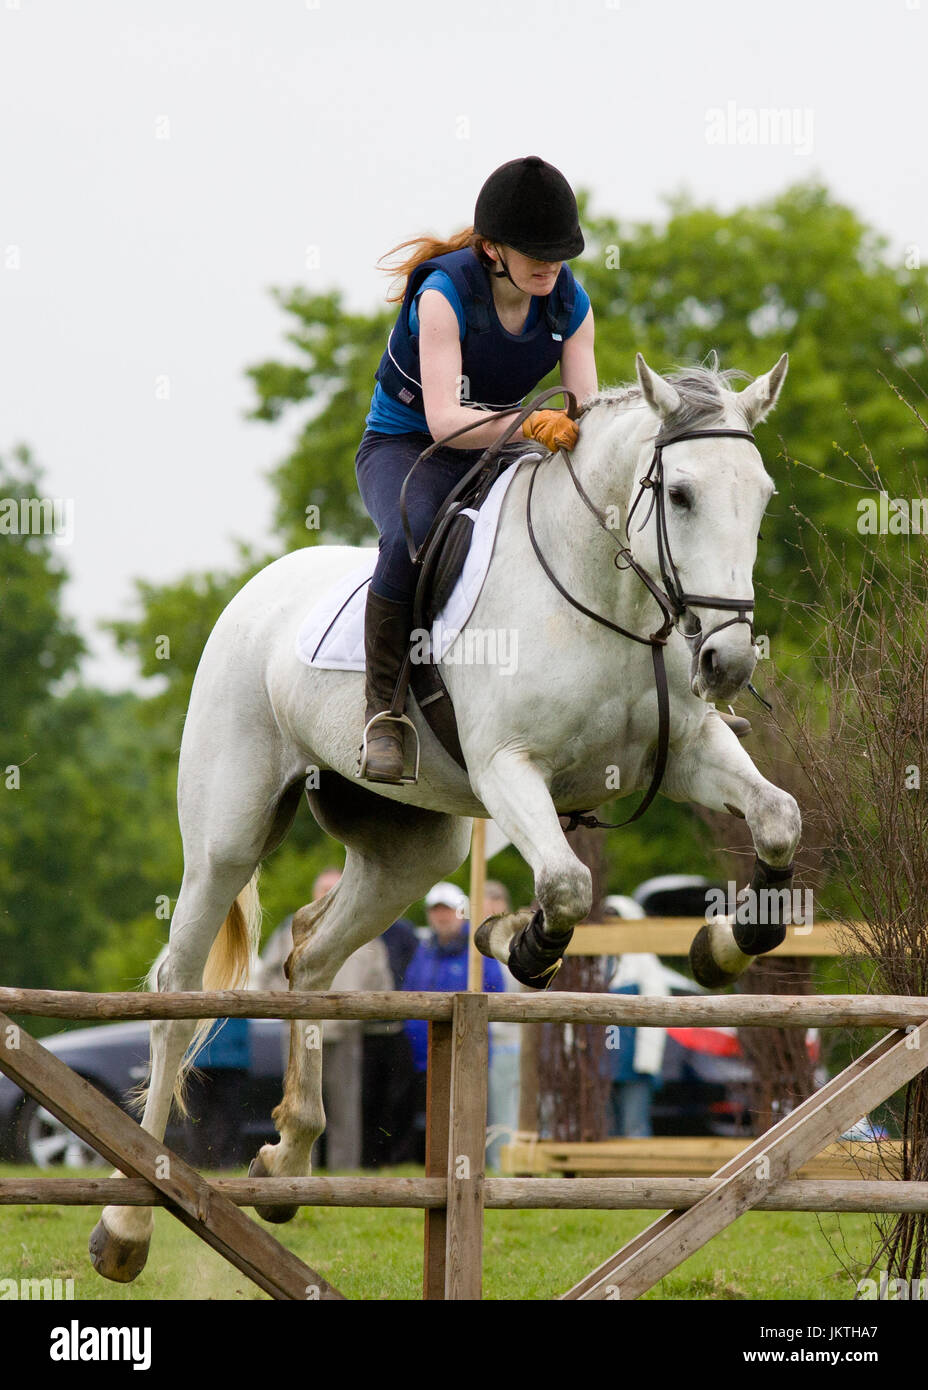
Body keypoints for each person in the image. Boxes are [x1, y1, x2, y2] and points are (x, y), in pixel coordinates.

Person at [356, 155, 598, 784]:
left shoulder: (571, 303)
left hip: (507, 441)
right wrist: (530, 425)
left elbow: (585, 410)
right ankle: (383, 715)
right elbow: (445, 422)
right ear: (493, 250)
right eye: (534, 253)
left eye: (558, 252)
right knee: (411, 534)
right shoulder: (443, 296)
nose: (550, 265)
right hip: (411, 446)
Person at [257, 867, 393, 1170]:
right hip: (299, 1035)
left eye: (336, 889)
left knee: (345, 1110)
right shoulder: (292, 932)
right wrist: (292, 1008)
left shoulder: (365, 932)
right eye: (324, 890)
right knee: (296, 1109)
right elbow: (266, 978)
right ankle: (296, 1169)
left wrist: (353, 1011)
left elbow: (382, 984)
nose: (329, 896)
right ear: (314, 895)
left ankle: (343, 1177)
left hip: (345, 1035)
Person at [399, 882, 506, 1162]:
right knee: (434, 1118)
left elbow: (497, 992)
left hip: (469, 1051)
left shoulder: (480, 947)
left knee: (468, 1115)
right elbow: (409, 993)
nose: (441, 917)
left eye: (446, 910)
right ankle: (438, 1166)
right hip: (425, 1054)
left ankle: (471, 1166)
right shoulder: (424, 949)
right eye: (436, 911)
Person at [483, 880, 522, 1171]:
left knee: (505, 1111)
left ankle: (502, 1165)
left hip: (507, 1041)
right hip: (477, 1039)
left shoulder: (516, 945)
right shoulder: (470, 945)